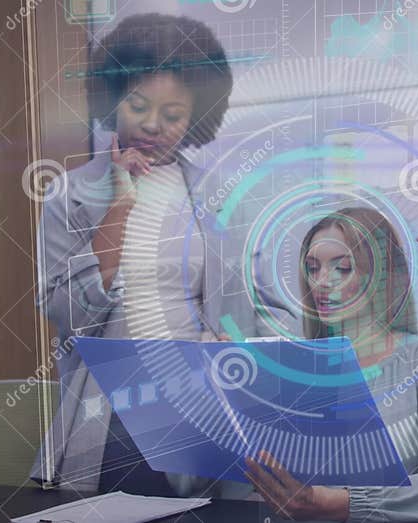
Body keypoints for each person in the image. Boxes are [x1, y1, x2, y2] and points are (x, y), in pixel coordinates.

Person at [31, 13, 290, 497]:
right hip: (110, 417)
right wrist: (120, 207)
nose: (152, 125)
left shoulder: (219, 198)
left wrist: (232, 342)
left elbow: (268, 311)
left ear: (195, 118)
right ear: (113, 100)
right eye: (138, 105)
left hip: (207, 408)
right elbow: (68, 317)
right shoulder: (71, 195)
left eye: (172, 115)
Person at [245, 207, 418, 522]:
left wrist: (343, 503)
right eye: (312, 268)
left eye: (342, 268)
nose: (321, 281)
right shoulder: (297, 370)